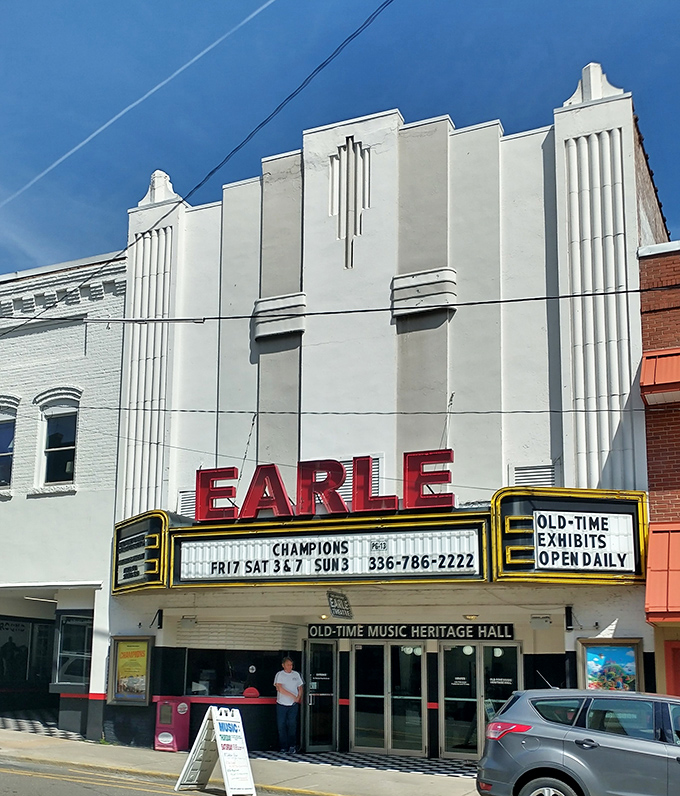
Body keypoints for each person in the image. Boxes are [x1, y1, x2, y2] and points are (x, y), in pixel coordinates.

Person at [274, 656, 304, 754]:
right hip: (281, 704)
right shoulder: (280, 674)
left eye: (291, 665)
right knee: (281, 725)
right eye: (288, 665)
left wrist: (298, 697)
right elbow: (279, 688)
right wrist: (292, 696)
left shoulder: (296, 674)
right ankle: (283, 746)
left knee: (292, 725)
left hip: (293, 705)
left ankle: (292, 746)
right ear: (283, 665)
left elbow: (300, 687)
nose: (290, 667)